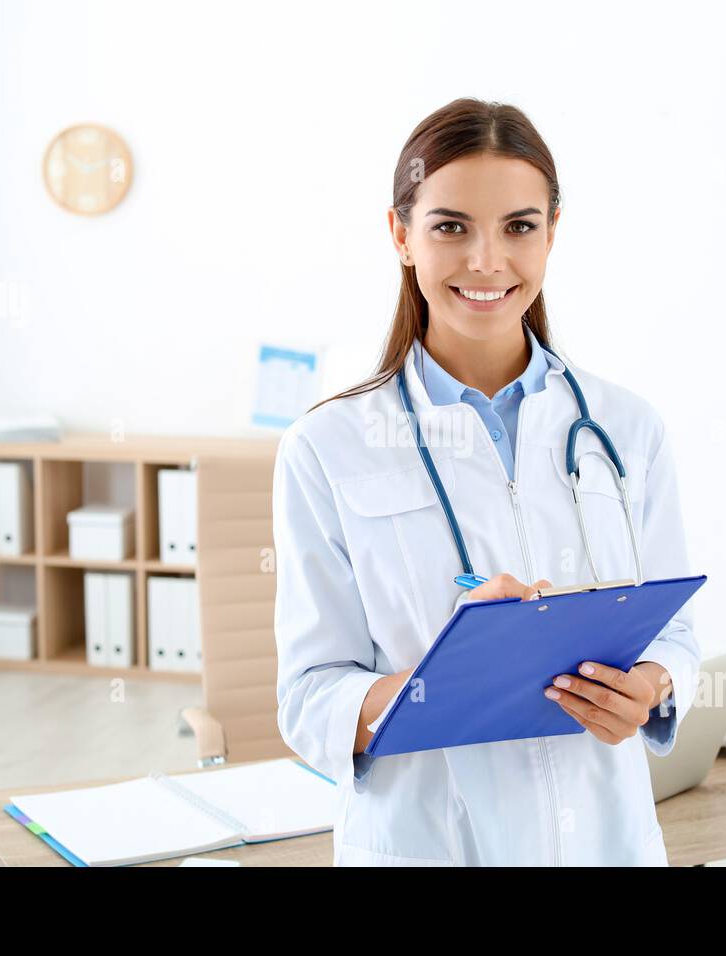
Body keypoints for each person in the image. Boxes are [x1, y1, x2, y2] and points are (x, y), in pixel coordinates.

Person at [271, 97, 700, 865]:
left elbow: (674, 632)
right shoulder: (325, 449)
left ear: (553, 233)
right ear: (401, 235)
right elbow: (308, 700)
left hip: (606, 840)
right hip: (427, 842)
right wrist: (446, 677)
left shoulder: (627, 428)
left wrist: (655, 685)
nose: (486, 261)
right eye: (450, 226)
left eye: (519, 226)